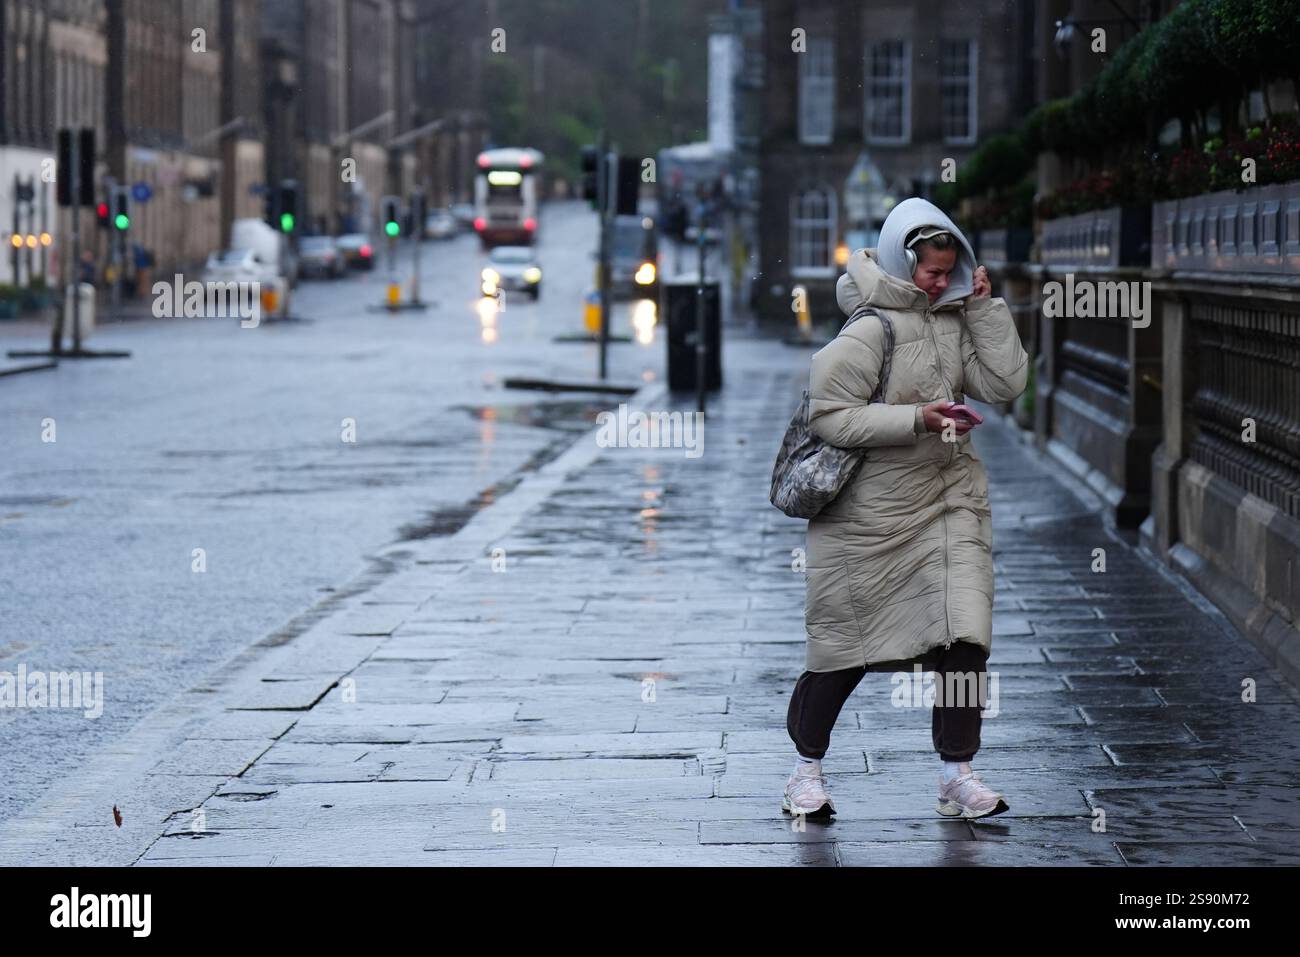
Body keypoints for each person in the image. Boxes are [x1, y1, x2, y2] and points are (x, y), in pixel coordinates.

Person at [782, 197, 1029, 820]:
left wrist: (982, 308)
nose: (939, 281)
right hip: (869, 517)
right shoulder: (870, 328)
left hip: (950, 505)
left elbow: (1005, 384)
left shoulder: (954, 316)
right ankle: (805, 770)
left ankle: (958, 773)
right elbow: (828, 414)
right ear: (900, 260)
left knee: (966, 635)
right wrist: (917, 418)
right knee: (845, 648)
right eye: (930, 271)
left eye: (949, 269)